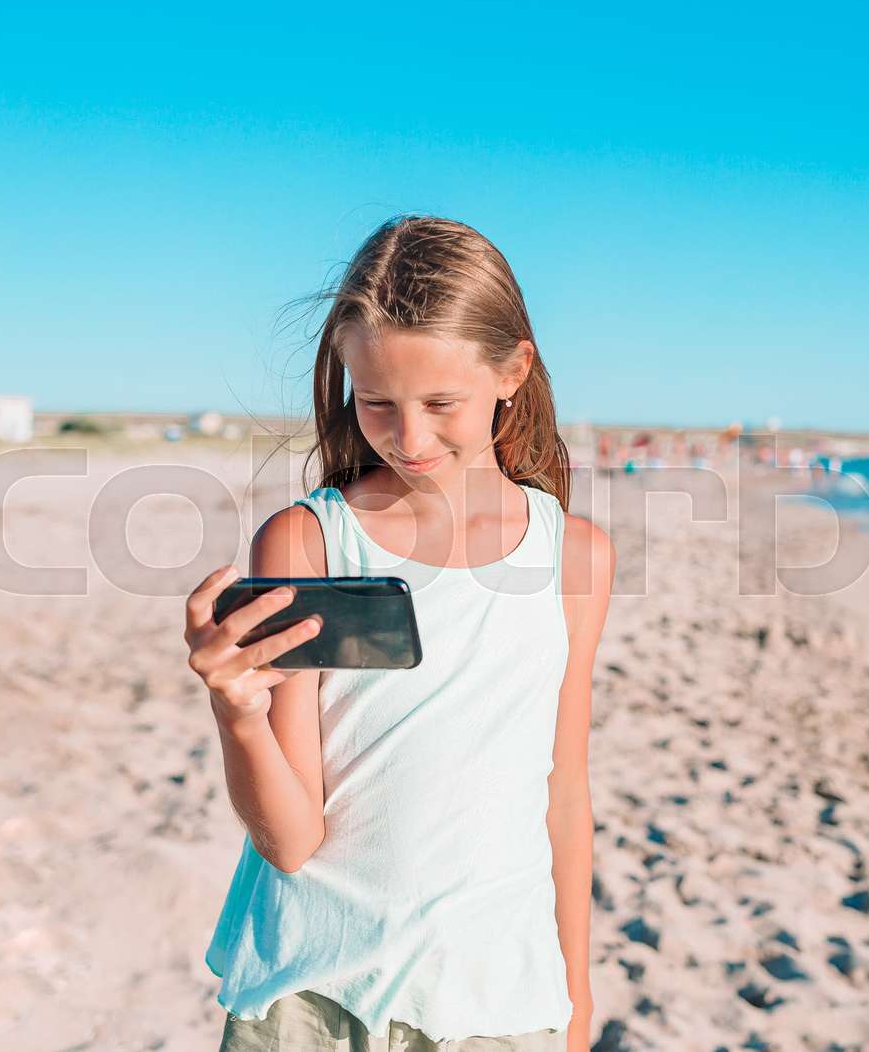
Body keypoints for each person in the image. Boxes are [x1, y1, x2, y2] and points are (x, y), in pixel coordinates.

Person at [181, 214, 615, 1051]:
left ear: (512, 369)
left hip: (501, 999)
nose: (409, 437)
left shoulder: (576, 560)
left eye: (441, 403)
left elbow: (564, 794)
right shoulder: (309, 543)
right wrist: (236, 714)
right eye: (376, 401)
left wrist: (576, 994)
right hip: (310, 999)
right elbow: (293, 840)